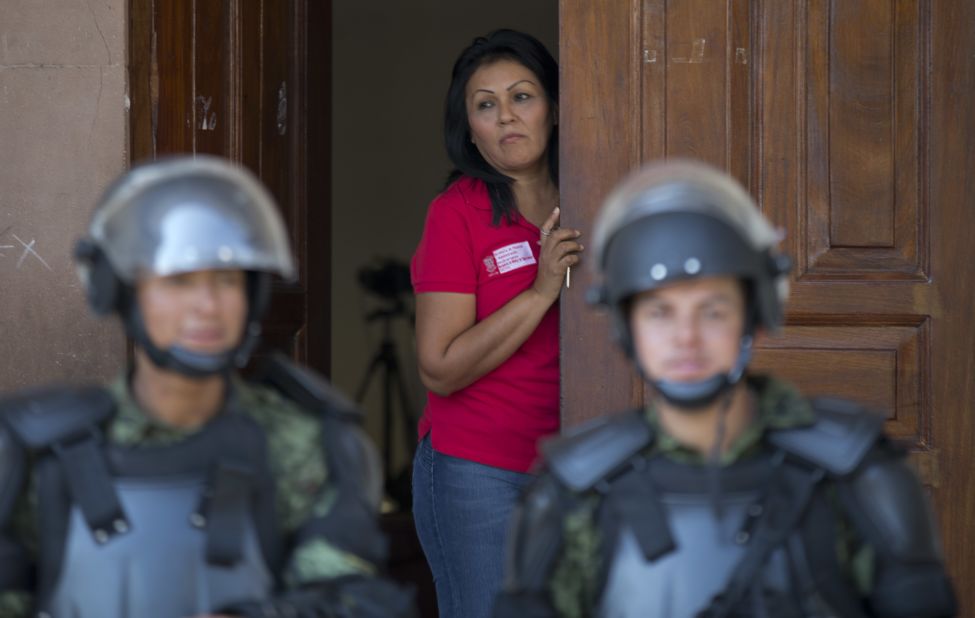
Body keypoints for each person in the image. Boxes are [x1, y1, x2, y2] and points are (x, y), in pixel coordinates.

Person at [493, 160, 957, 617]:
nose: (686, 337)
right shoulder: (574, 490)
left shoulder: (856, 470)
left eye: (713, 310)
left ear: (752, 317)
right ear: (625, 327)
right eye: (660, 312)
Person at [0, 156, 415, 618]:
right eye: (179, 281)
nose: (208, 306)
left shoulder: (301, 441)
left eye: (227, 280)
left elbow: (353, 599)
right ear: (120, 291)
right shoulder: (35, 451)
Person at [410, 29, 583, 618]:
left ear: (556, 108)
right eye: (486, 104)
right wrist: (540, 292)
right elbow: (439, 368)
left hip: (578, 471)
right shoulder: (456, 214)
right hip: (479, 474)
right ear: (470, 126)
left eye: (522, 96)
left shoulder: (593, 197)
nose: (506, 116)